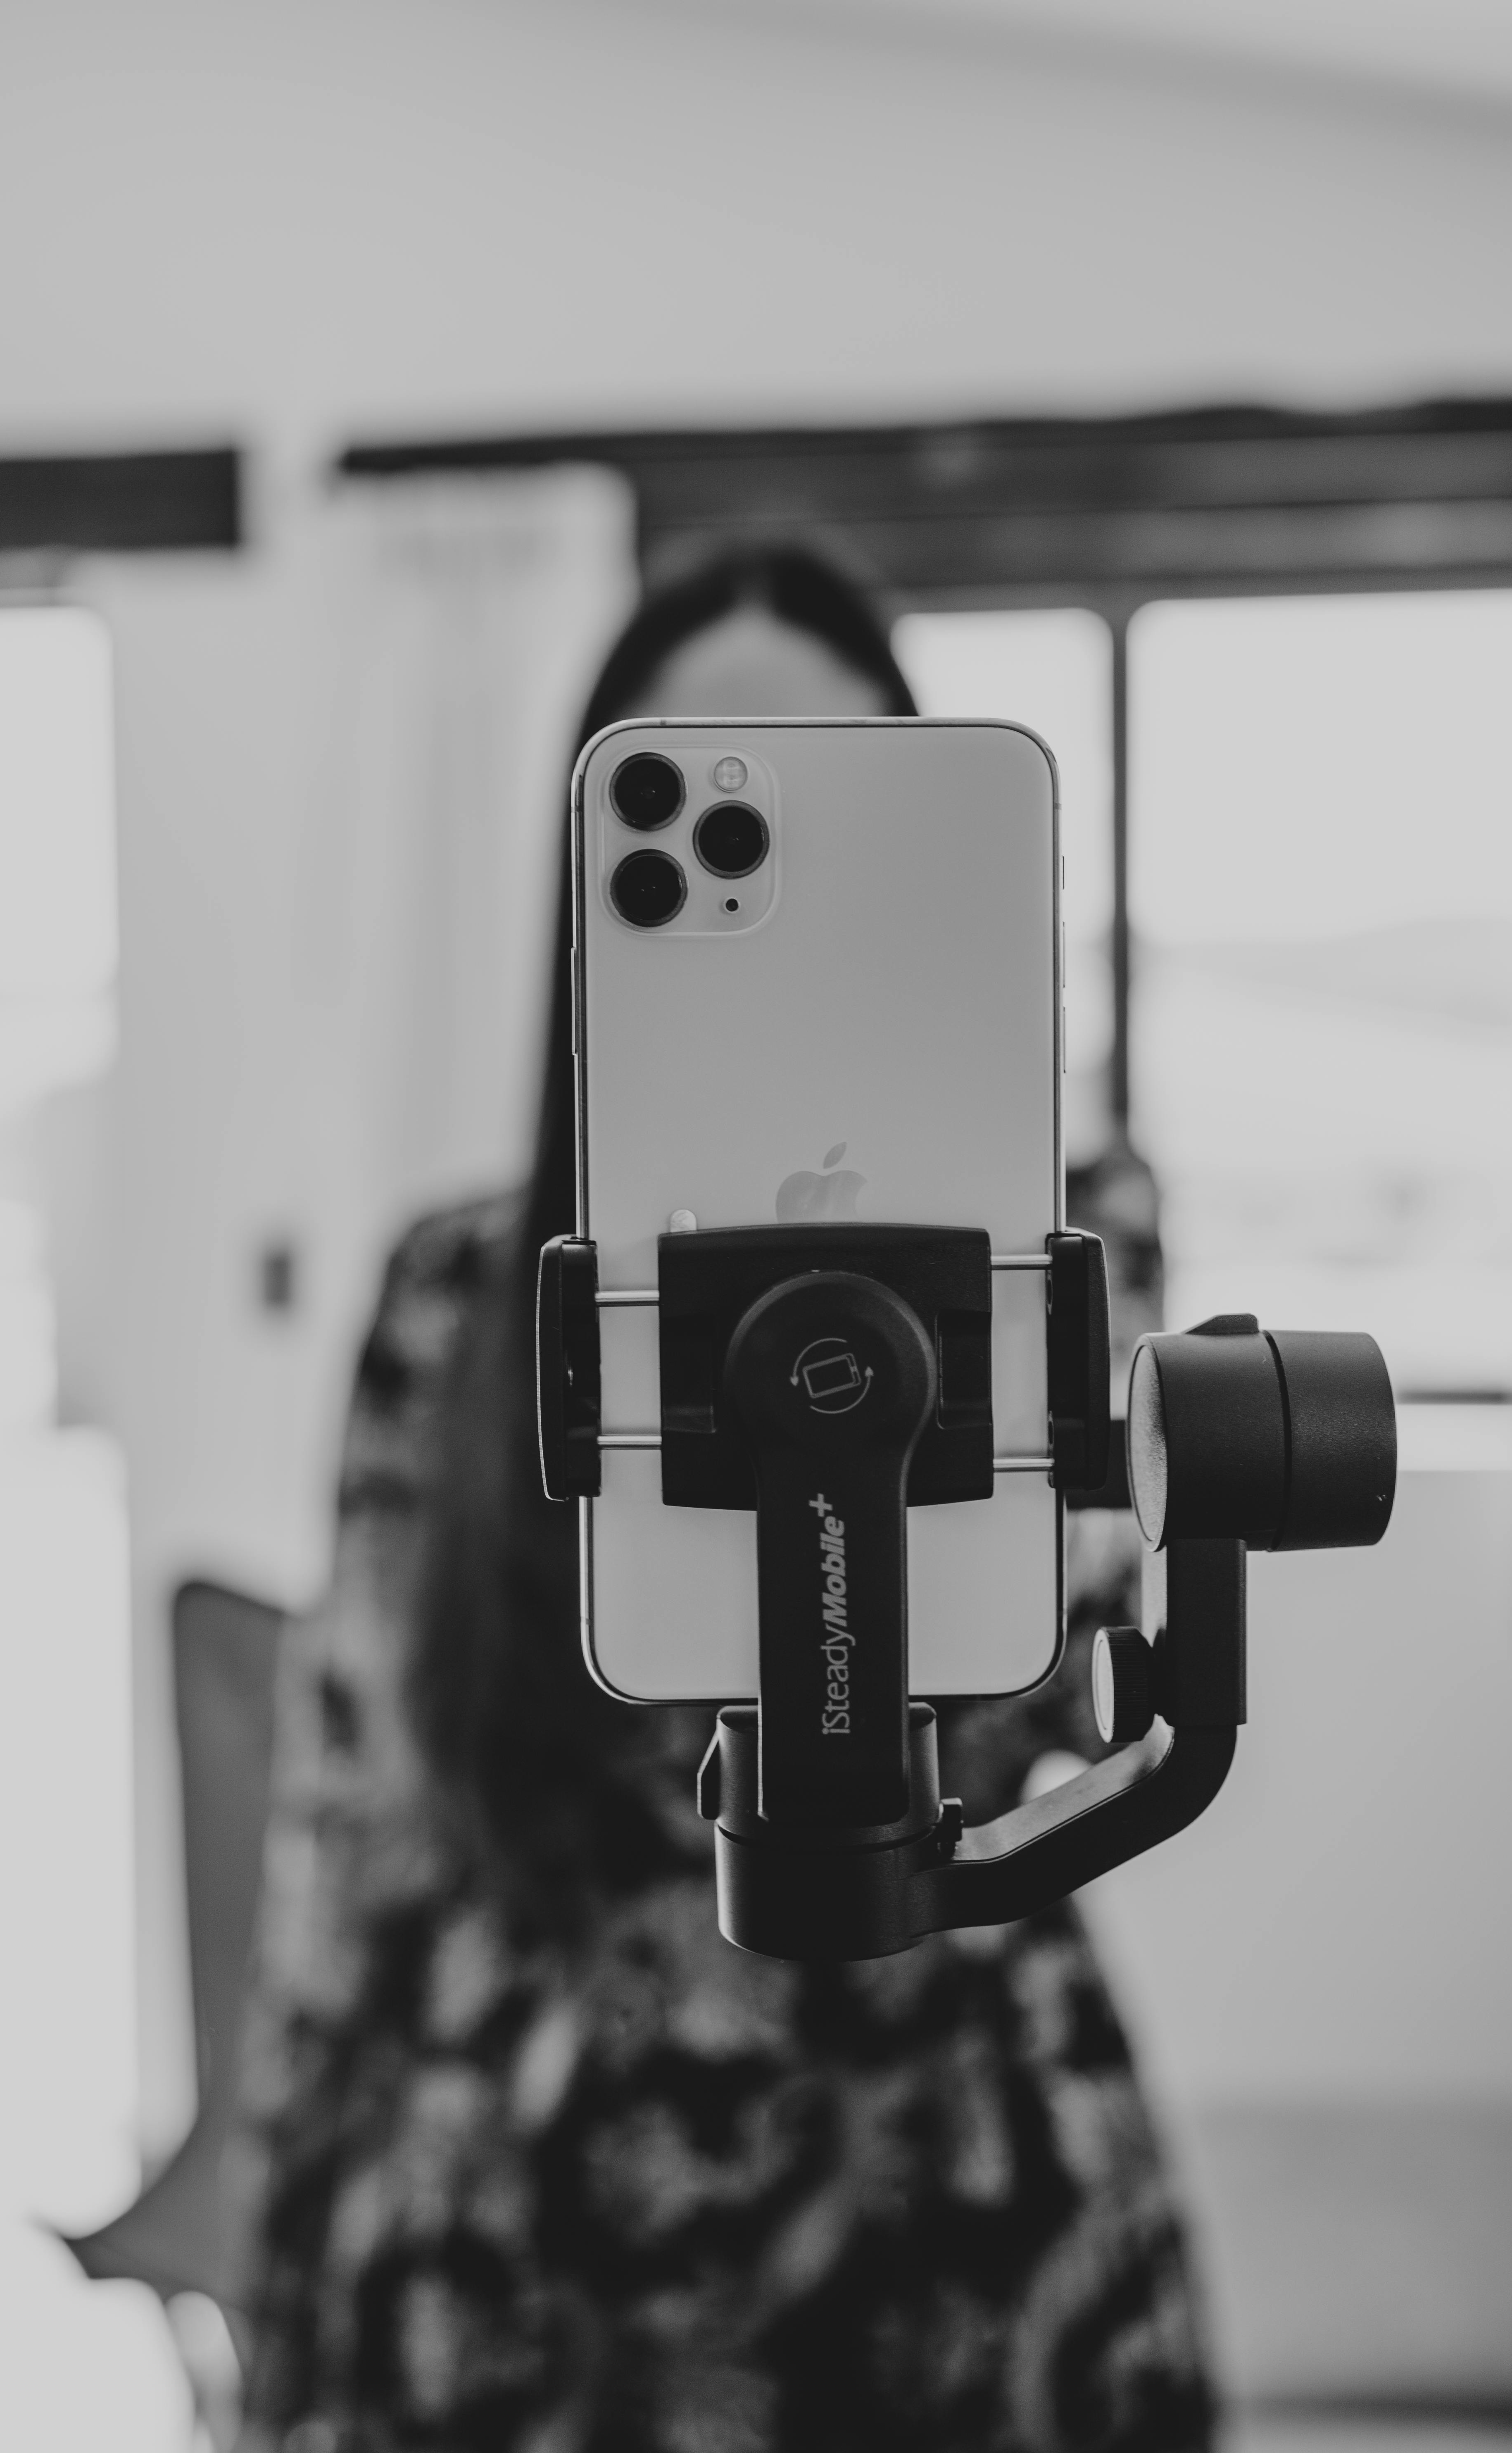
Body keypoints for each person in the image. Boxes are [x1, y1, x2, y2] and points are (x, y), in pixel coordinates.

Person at [231, 544, 1215, 2453]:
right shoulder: (457, 1298)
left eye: (838, 801)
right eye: (715, 786)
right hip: (509, 2247)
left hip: (947, 2173)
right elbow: (342, 1818)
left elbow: (1072, 1657)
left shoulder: (1070, 1247)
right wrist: (275, 2247)